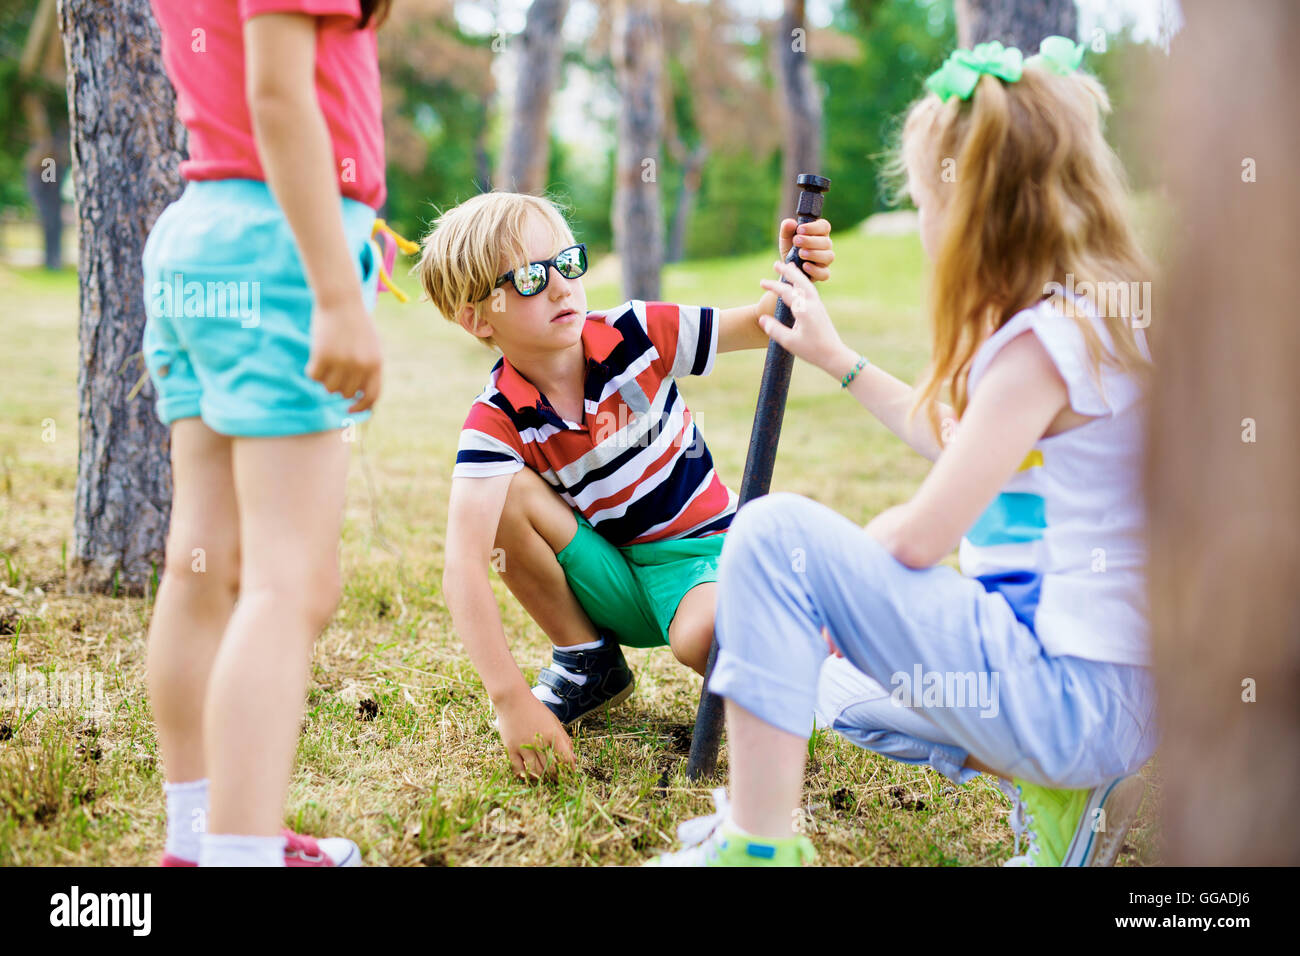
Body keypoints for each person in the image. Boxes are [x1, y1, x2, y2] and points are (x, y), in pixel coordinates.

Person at [648, 37, 1158, 867]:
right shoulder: (1093, 326)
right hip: (1109, 703)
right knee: (827, 694)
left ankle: (757, 847)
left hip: (1068, 701)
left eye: (927, 201)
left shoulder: (1038, 350)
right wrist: (836, 357)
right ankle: (1068, 801)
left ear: (968, 214)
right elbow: (960, 442)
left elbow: (920, 539)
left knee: (772, 536)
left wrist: (851, 585)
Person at [420, 192, 833, 779]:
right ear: (479, 318)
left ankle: (804, 645)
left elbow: (763, 321)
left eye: (568, 264)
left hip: (706, 560)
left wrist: (798, 267)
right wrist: (511, 699)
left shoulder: (635, 332)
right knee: (502, 493)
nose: (562, 287)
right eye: (533, 278)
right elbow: (462, 566)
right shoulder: (496, 419)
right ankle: (589, 660)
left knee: (703, 640)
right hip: (615, 576)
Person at [143, 0, 395, 867]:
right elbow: (279, 98)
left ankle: (202, 837)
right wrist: (334, 292)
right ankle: (241, 855)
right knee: (292, 583)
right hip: (279, 245)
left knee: (202, 562)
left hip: (200, 232)